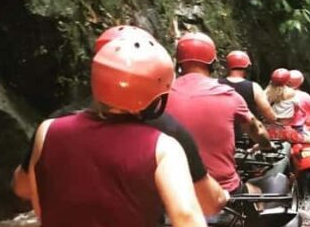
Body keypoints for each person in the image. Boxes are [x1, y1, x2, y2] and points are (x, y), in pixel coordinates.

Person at [16, 34, 272, 227]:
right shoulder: (163, 146)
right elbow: (187, 216)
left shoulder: (47, 131)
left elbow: (40, 206)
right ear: (157, 91)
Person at [13, 25, 228, 215]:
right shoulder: (167, 132)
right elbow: (208, 204)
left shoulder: (54, 125)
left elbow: (22, 187)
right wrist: (223, 196)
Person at [166, 32, 272, 195]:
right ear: (213, 62)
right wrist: (266, 145)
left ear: (178, 61)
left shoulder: (161, 95)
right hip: (222, 188)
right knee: (257, 192)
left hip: (171, 189)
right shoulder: (229, 95)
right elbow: (257, 128)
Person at [219, 50, 276, 141]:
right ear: (247, 67)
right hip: (247, 137)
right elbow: (269, 115)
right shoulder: (254, 87)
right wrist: (275, 119)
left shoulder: (215, 84)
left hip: (222, 135)